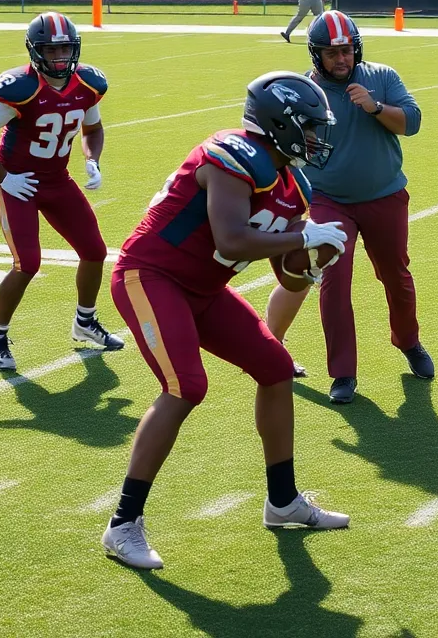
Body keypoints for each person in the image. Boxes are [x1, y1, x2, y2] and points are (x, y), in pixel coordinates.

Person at [100, 72, 351, 570]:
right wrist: (303, 240)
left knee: (275, 368)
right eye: (310, 127)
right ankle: (122, 524)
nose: (318, 139)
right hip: (151, 277)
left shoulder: (289, 178)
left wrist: (311, 267)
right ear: (280, 123)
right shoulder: (234, 156)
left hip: (205, 288)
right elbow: (232, 241)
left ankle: (282, 502)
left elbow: (287, 271)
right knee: (186, 386)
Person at [264, 11, 430, 404]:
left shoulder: (381, 77)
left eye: (346, 51)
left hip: (384, 194)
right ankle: (343, 372)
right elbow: (285, 145)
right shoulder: (304, 89)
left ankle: (408, 342)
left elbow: (413, 122)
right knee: (334, 283)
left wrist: (374, 107)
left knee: (396, 276)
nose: (341, 59)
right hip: (329, 199)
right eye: (331, 53)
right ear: (315, 54)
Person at [0, 11, 123, 372]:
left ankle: (85, 322)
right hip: (19, 183)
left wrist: (92, 160)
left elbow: (92, 129)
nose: (60, 57)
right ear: (36, 52)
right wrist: (4, 177)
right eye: (52, 51)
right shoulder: (19, 88)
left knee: (95, 250)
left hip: (57, 178)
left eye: (65, 48)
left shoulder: (88, 84)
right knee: (27, 264)